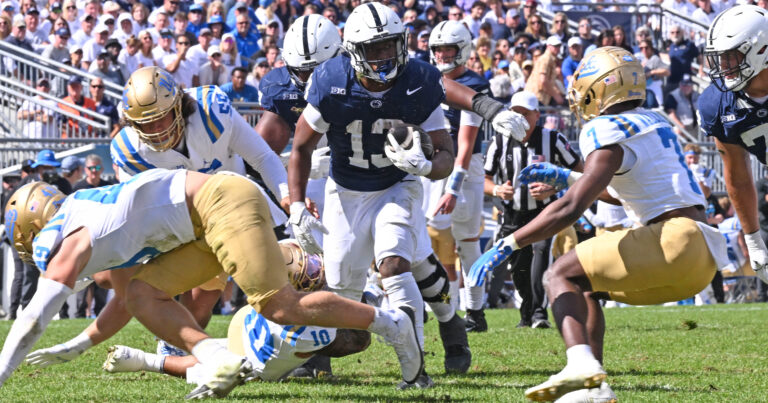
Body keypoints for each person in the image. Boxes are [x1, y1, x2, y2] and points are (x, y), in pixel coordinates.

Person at [0, 169, 425, 395]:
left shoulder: (69, 235)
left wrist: (2, 372)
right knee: (145, 294)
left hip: (220, 204)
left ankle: (391, 323)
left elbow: (36, 313)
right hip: (202, 222)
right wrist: (79, 345)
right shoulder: (88, 215)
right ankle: (217, 357)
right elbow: (128, 299)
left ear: (36, 228)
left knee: (278, 306)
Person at [471, 47, 729, 402]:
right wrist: (567, 176)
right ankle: (594, 387)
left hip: (672, 241)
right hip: (700, 257)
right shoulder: (654, 120)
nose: (579, 97)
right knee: (586, 285)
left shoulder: (605, 128)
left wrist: (509, 242)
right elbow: (623, 193)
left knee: (559, 274)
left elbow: (571, 208)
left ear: (600, 88)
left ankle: (580, 366)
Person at [288, 4, 521, 385]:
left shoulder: (416, 78)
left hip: (398, 186)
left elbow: (445, 152)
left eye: (390, 45)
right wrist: (296, 204)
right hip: (346, 191)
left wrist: (427, 166)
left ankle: (418, 366)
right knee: (342, 286)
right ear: (353, 51)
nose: (384, 55)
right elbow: (300, 147)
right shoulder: (331, 79)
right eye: (374, 48)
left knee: (395, 265)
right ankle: (320, 356)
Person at [102, 239, 372, 381]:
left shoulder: (276, 279)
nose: (315, 273)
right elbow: (356, 339)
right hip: (260, 357)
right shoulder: (318, 332)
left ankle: (154, 356)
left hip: (248, 322)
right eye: (311, 276)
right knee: (219, 367)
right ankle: (145, 361)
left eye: (311, 267)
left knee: (213, 349)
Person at [482, 91, 582, 329]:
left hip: (545, 211)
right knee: (518, 266)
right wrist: (497, 190)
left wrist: (554, 186)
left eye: (524, 114)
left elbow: (581, 172)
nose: (519, 119)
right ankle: (527, 314)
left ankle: (539, 313)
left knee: (541, 253)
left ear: (537, 115)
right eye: (515, 113)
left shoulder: (553, 139)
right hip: (512, 213)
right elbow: (483, 179)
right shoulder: (500, 141)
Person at [427, 20, 490, 334]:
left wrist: (453, 187)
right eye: (437, 49)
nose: (441, 55)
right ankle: (441, 308)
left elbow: (465, 143)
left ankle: (475, 312)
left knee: (467, 242)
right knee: (426, 237)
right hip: (432, 163)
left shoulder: (474, 83)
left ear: (462, 49)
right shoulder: (427, 79)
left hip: (465, 167)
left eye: (448, 49)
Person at [525, 35, 564, 106]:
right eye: (555, 46)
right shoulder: (546, 58)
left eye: (559, 46)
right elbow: (543, 80)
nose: (557, 48)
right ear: (548, 46)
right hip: (536, 98)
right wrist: (556, 96)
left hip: (537, 98)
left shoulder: (550, 59)